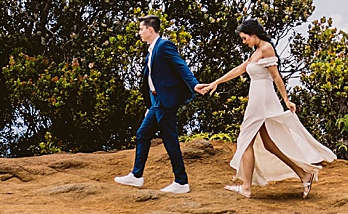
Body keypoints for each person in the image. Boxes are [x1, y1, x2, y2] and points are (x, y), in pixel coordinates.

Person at [195, 19, 334, 198]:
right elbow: (240, 69)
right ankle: (303, 174)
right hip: (257, 98)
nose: (244, 42)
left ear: (254, 35)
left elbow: (276, 76)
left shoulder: (266, 48)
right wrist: (215, 83)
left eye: (245, 38)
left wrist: (286, 100)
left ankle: (246, 187)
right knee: (268, 144)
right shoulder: (256, 51)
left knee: (245, 140)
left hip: (262, 99)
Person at [113, 16, 199, 195]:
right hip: (156, 102)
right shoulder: (152, 49)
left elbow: (180, 66)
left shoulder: (164, 46)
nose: (139, 33)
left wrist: (195, 84)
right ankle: (137, 176)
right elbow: (149, 78)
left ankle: (181, 181)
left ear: (150, 29)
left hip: (165, 101)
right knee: (143, 134)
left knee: (169, 139)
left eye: (141, 29)